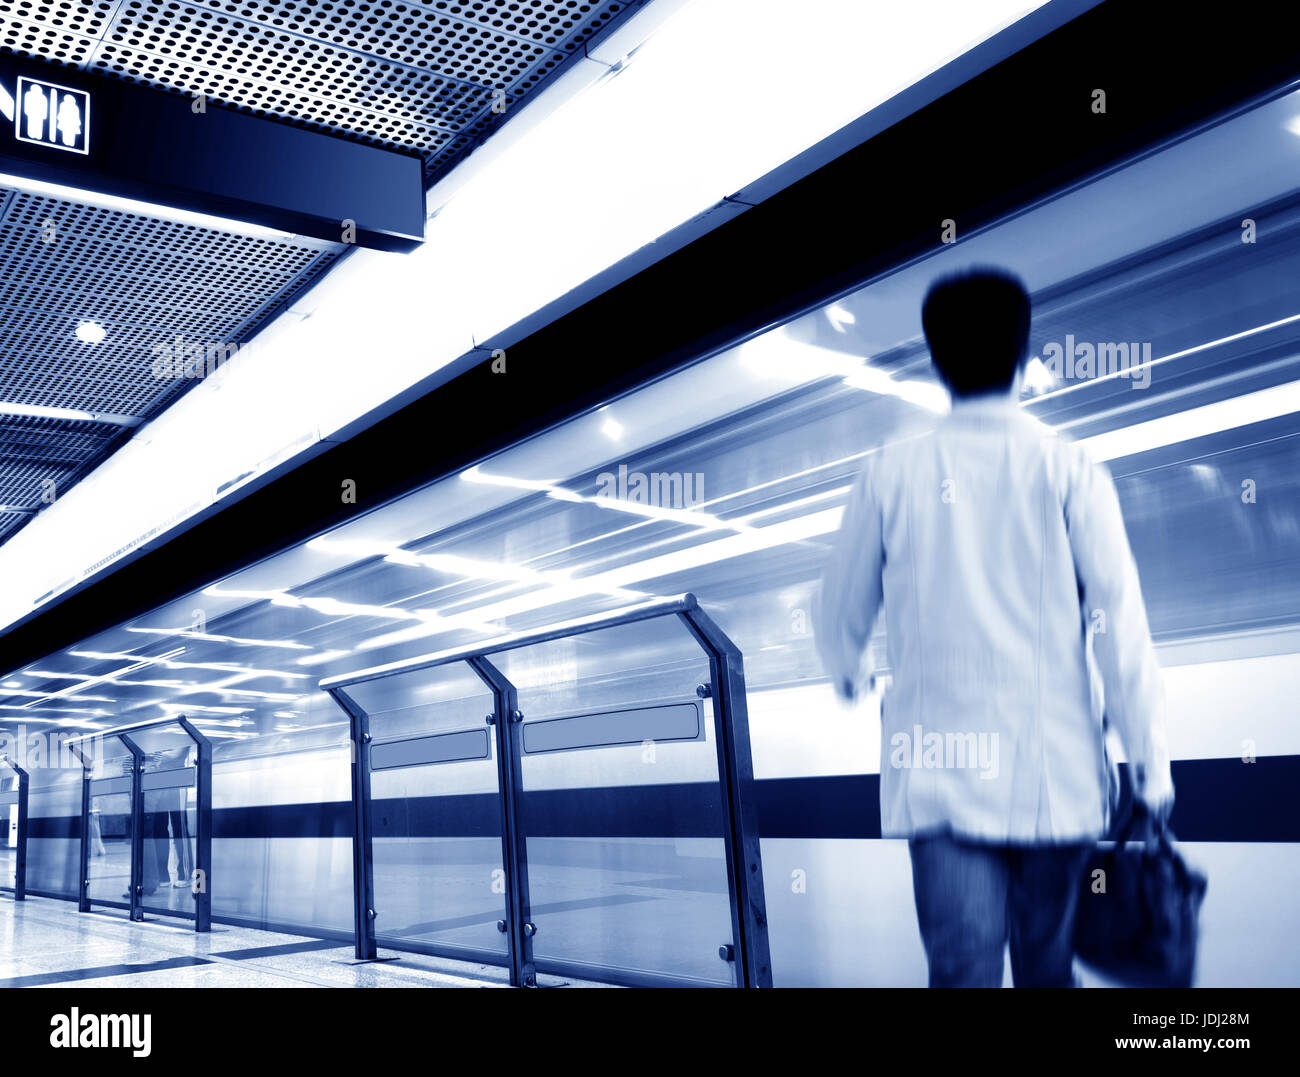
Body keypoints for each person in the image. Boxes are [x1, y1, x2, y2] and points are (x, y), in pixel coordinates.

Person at [815, 266, 1174, 988]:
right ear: (1023, 348)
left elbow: (837, 612)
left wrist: (852, 674)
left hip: (940, 780)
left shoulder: (890, 472)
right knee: (1048, 970)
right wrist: (1151, 763)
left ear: (935, 353)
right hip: (1057, 777)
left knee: (961, 968)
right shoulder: (1069, 467)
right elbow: (1120, 625)